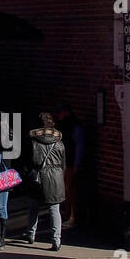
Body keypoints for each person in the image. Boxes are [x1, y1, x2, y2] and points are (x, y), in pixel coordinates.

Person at [24, 112, 66, 250]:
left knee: (33, 207)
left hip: (38, 176)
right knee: (54, 209)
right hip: (56, 177)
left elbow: (29, 161)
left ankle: (31, 234)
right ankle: (56, 240)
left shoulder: (33, 142)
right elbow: (63, 164)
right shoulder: (59, 143)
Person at [55, 102, 86, 227]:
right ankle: (68, 214)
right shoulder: (64, 125)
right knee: (66, 190)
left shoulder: (74, 126)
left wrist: (76, 164)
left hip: (70, 162)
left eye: (60, 112)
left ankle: (73, 215)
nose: (58, 115)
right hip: (64, 161)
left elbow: (79, 146)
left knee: (71, 190)